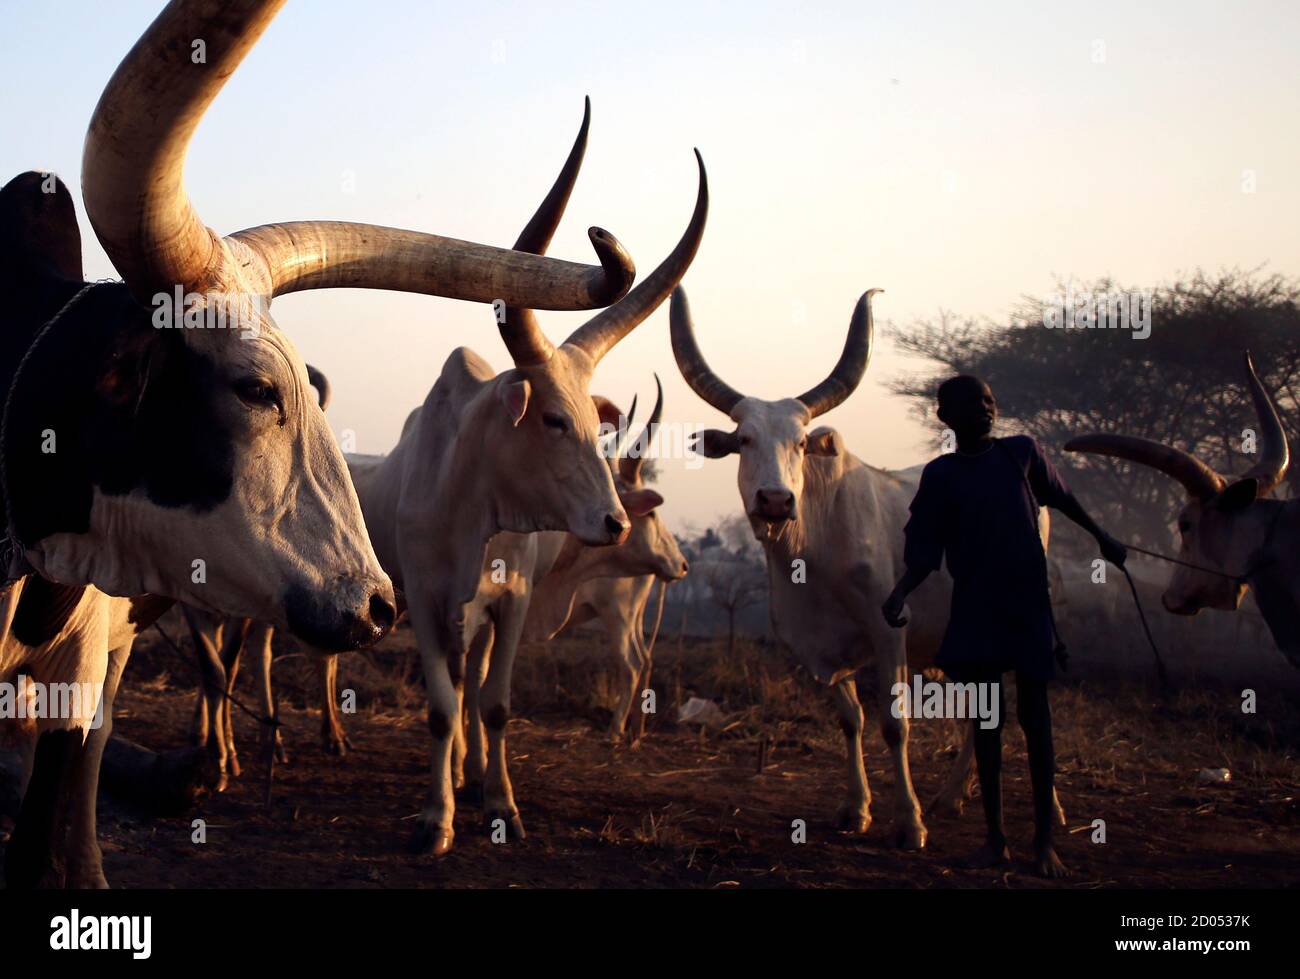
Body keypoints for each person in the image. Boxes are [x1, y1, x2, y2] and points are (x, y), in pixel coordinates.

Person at [881, 375, 1126, 878]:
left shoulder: (1022, 454)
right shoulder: (941, 475)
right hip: (977, 611)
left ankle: (1044, 843)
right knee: (987, 727)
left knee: (1038, 724)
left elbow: (1062, 499)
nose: (986, 409)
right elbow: (924, 550)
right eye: (973, 404)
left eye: (990, 400)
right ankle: (996, 840)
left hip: (1028, 608)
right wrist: (900, 590)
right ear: (945, 417)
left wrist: (1103, 538)